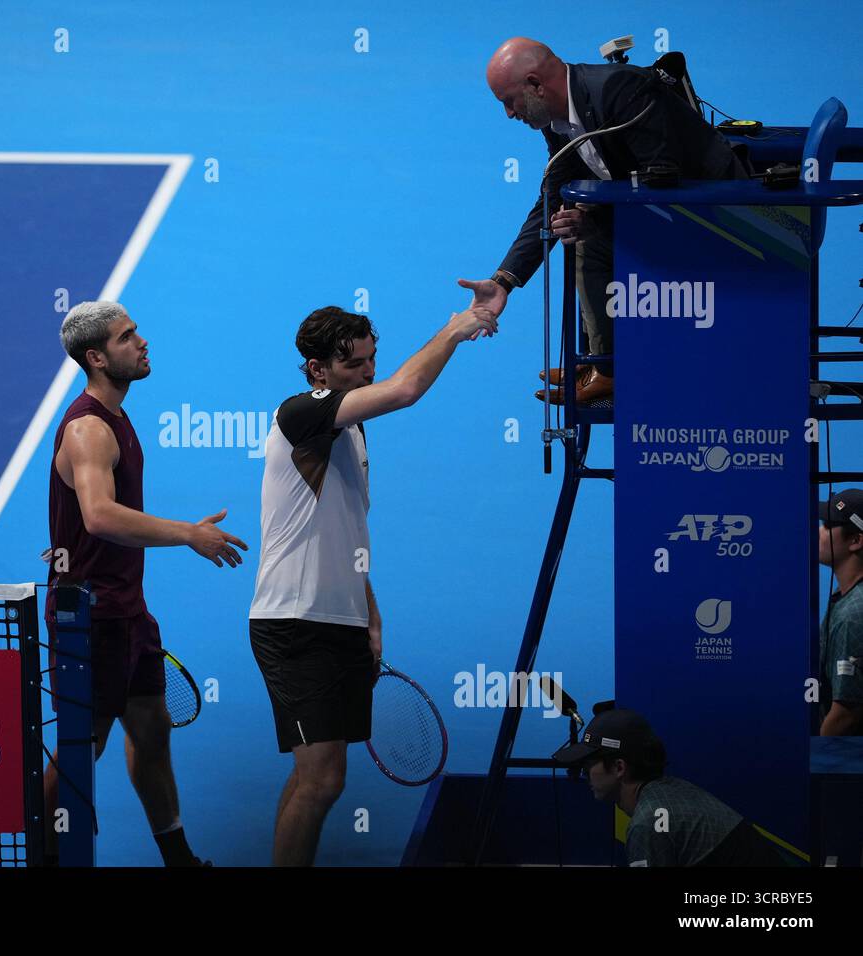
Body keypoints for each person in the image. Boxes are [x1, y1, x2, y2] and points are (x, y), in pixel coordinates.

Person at [248, 303, 497, 866]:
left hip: (340, 622)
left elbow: (342, 532)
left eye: (371, 359)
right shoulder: (301, 414)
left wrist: (370, 611)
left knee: (316, 777)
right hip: (293, 623)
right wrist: (456, 328)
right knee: (323, 779)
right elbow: (406, 390)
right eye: (353, 365)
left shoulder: (353, 434)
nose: (368, 372)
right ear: (317, 372)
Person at [44, 300, 249, 866]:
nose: (142, 342)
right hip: (91, 615)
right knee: (83, 749)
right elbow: (101, 516)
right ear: (96, 357)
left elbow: (83, 519)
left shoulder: (117, 417)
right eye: (127, 337)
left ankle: (179, 860)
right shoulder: (89, 429)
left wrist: (67, 547)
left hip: (125, 609)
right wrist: (188, 534)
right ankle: (34, 853)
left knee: (152, 729)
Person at [458, 36, 749, 405]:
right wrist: (504, 281)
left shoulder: (620, 90)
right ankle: (602, 362)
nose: (510, 114)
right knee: (573, 223)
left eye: (508, 101)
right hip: (667, 211)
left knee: (589, 240)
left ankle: (609, 370)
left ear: (535, 85)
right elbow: (552, 194)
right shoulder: (558, 118)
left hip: (717, 216)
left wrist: (595, 219)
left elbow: (664, 185)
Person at [553, 708, 788, 866]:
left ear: (619, 767)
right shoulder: (672, 790)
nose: (584, 775)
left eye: (588, 766)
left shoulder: (647, 825)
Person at [818, 488, 863, 735]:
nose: (818, 532)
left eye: (827, 525)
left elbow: (846, 715)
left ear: (855, 540)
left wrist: (814, 767)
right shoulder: (844, 600)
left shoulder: (854, 614)